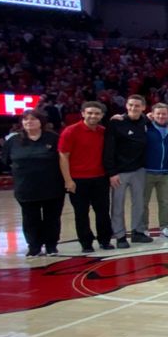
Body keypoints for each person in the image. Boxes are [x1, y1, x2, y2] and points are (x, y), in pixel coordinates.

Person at [2, 110, 64, 256]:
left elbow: (64, 159)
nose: (29, 122)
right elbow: (5, 161)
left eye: (33, 119)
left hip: (52, 186)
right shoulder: (13, 141)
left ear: (41, 122)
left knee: (52, 218)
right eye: (25, 119)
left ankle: (51, 245)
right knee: (30, 218)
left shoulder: (53, 138)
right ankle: (34, 246)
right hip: (26, 187)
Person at [59, 101, 113, 253]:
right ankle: (86, 243)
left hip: (100, 178)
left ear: (102, 115)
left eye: (97, 113)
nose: (93, 116)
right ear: (82, 113)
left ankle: (105, 240)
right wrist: (68, 180)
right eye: (89, 113)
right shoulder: (70, 131)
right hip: (78, 180)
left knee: (102, 211)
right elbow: (63, 157)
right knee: (81, 213)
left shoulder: (103, 131)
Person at [104, 94, 152, 248]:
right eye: (130, 105)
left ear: (143, 108)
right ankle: (120, 235)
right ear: (126, 106)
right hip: (119, 172)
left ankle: (137, 232)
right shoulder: (116, 122)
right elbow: (108, 149)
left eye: (137, 105)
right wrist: (111, 172)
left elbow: (160, 120)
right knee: (118, 204)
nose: (133, 108)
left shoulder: (146, 121)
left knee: (139, 203)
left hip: (139, 169)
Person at [144, 103, 168, 238]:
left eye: (164, 114)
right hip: (147, 171)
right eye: (158, 113)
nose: (161, 116)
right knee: (143, 202)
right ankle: (144, 227)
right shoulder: (146, 127)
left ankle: (164, 226)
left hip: (165, 172)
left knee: (165, 202)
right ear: (152, 114)